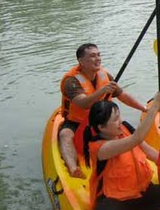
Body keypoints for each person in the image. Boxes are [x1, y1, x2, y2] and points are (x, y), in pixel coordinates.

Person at [58, 42, 146, 174]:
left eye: (99, 55)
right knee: (65, 134)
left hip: (101, 120)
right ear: (81, 61)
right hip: (78, 122)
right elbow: (83, 103)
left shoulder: (104, 75)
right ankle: (73, 168)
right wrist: (102, 91)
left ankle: (134, 160)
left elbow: (122, 95)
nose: (98, 58)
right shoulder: (71, 81)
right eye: (93, 56)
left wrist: (143, 108)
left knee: (122, 130)